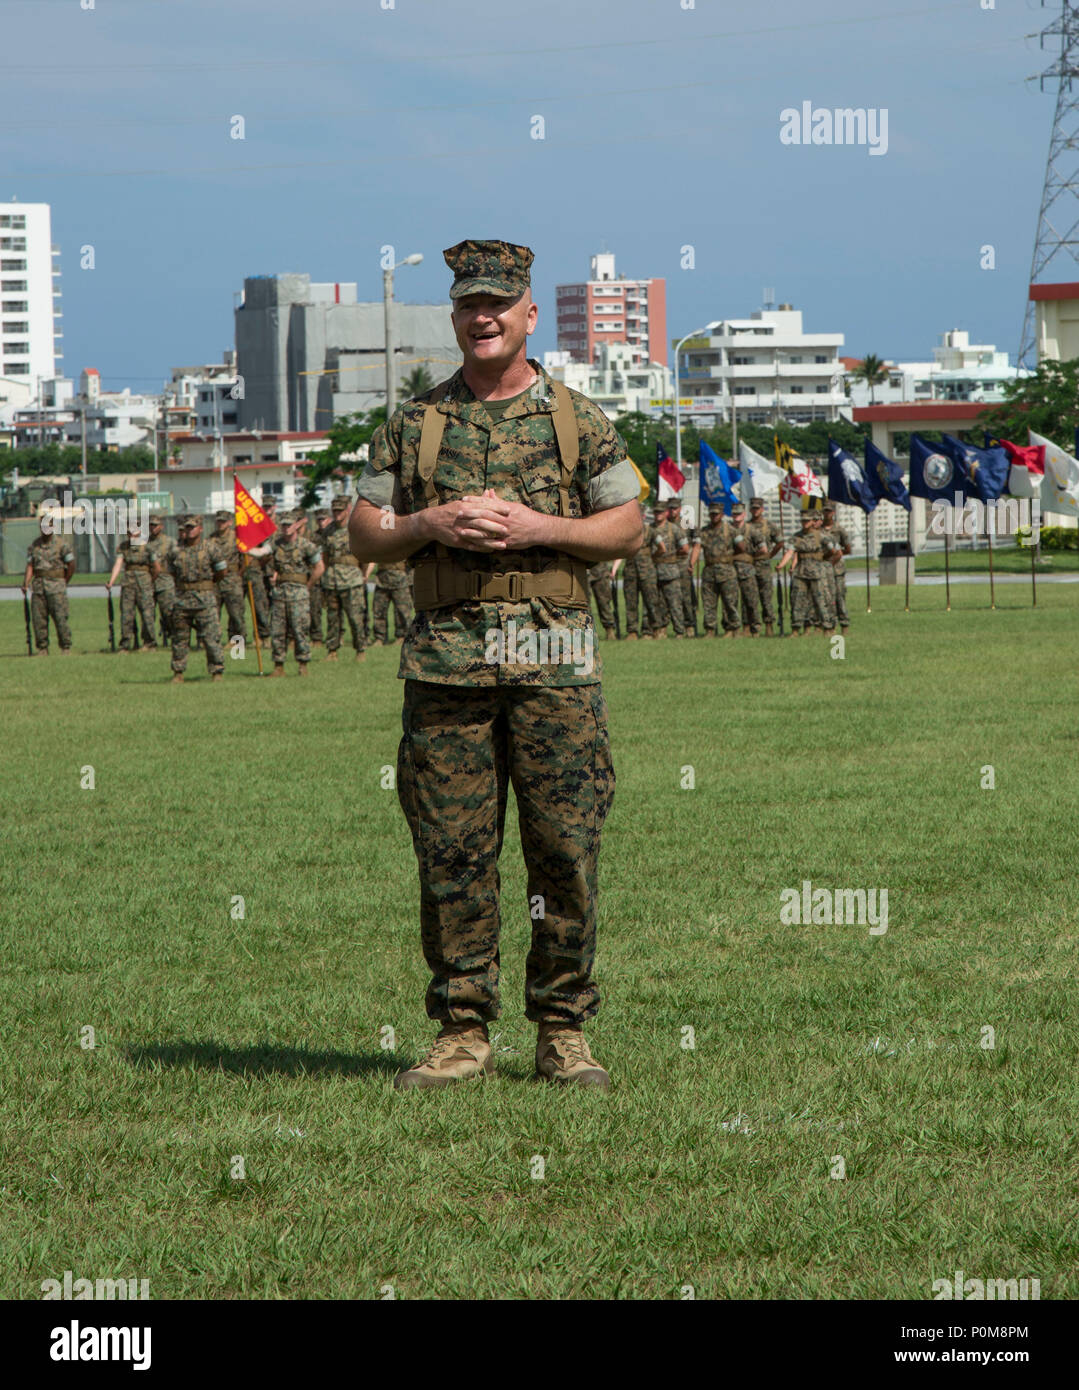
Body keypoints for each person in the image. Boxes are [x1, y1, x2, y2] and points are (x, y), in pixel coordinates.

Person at [348, 238, 642, 1090]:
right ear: (455, 318)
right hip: (447, 666)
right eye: (468, 307)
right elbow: (364, 534)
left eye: (497, 305)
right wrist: (424, 527)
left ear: (526, 315)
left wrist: (536, 529)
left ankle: (561, 1030)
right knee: (451, 851)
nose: (482, 318)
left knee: (564, 847)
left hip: (554, 663)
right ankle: (461, 1033)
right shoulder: (413, 425)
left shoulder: (576, 418)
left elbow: (626, 528)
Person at [155, 514, 227, 682]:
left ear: (200, 529)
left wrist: (207, 584)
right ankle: (178, 672)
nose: (189, 530)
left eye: (192, 527)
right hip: (182, 600)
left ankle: (216, 671)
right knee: (180, 638)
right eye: (186, 527)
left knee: (211, 637)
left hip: (205, 599)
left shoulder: (211, 548)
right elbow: (170, 571)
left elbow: (222, 571)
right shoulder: (176, 550)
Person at [268, 510, 325, 676]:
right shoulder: (276, 544)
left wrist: (308, 585)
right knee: (278, 631)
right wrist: (246, 548)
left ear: (296, 525)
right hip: (280, 594)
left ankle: (303, 664)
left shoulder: (305, 545)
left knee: (299, 629)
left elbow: (319, 567)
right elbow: (263, 553)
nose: (286, 528)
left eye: (289, 524)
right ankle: (278, 666)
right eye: (283, 524)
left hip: (299, 595)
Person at [319, 495, 369, 661]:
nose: (337, 513)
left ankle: (360, 650)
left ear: (348, 509)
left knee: (355, 618)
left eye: (340, 510)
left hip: (352, 581)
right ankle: (332, 651)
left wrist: (362, 575)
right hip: (332, 581)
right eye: (334, 510)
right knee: (333, 619)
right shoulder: (328, 531)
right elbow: (325, 556)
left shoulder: (355, 528)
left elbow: (365, 556)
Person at [776, 510, 836, 636]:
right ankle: (796, 629)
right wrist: (781, 565)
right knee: (798, 600)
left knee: (821, 601)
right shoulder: (796, 537)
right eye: (802, 521)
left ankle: (827, 628)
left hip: (817, 573)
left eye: (807, 521)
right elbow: (790, 552)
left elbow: (832, 550)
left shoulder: (820, 536)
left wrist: (821, 557)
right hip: (801, 572)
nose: (804, 523)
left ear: (812, 522)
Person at [23, 512, 75, 654]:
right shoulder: (34, 545)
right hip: (39, 587)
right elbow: (30, 566)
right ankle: (42, 648)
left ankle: (65, 647)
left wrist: (64, 581)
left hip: (56, 587)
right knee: (39, 620)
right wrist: (26, 583)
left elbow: (71, 564)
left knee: (60, 618)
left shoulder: (62, 544)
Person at [106, 519, 158, 651]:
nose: (131, 535)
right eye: (129, 532)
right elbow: (118, 564)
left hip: (144, 583)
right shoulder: (123, 547)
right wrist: (111, 581)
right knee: (126, 614)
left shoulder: (148, 547)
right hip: (128, 583)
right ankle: (125, 644)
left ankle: (149, 643)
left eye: (134, 532)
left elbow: (156, 568)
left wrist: (150, 581)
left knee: (147, 614)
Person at [622, 499, 665, 640]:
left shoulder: (650, 530)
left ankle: (655, 629)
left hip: (647, 571)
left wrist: (650, 557)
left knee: (651, 602)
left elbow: (662, 548)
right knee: (631, 603)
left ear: (643, 515)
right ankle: (632, 631)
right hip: (630, 571)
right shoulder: (627, 531)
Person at [699, 505, 741, 637]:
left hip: (727, 572)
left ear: (722, 514)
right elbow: (696, 547)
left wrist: (729, 558)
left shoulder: (731, 530)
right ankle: (710, 630)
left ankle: (732, 629)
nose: (714, 516)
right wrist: (691, 563)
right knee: (708, 603)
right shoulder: (703, 531)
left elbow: (742, 547)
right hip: (709, 572)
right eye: (712, 514)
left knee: (729, 603)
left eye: (716, 514)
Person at [651, 499, 690, 637]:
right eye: (656, 512)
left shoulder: (674, 529)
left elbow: (685, 548)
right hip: (654, 571)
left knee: (675, 603)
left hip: (671, 572)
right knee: (658, 603)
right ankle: (661, 630)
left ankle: (679, 631)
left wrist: (672, 555)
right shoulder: (650, 528)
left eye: (661, 512)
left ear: (666, 513)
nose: (658, 515)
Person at [746, 496, 783, 635]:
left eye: (757, 508)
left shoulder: (769, 526)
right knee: (749, 597)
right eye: (753, 508)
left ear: (762, 509)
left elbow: (780, 542)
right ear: (750, 509)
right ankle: (751, 626)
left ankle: (769, 625)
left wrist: (770, 555)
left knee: (766, 596)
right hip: (749, 564)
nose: (755, 511)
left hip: (764, 565)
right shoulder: (746, 526)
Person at [211, 509, 247, 644]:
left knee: (236, 614)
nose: (221, 524)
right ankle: (214, 641)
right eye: (219, 521)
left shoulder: (237, 538)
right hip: (216, 580)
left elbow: (245, 559)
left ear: (230, 522)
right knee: (213, 614)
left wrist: (238, 574)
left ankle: (237, 643)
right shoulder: (211, 539)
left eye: (223, 521)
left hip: (233, 579)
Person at [730, 502, 762, 637]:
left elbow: (763, 548)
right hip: (730, 569)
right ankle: (733, 629)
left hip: (747, 569)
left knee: (751, 600)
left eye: (739, 513)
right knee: (731, 601)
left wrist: (751, 557)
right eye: (734, 513)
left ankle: (755, 629)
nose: (737, 516)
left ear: (744, 514)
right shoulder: (728, 529)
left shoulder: (752, 530)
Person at [820, 503, 852, 632]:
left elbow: (848, 549)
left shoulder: (839, 529)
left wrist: (836, 556)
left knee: (839, 596)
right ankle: (830, 625)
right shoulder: (819, 530)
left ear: (833, 512)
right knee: (827, 598)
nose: (827, 514)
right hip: (823, 568)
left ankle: (844, 624)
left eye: (829, 511)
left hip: (837, 568)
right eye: (825, 511)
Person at [146, 515, 177, 644]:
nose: (153, 528)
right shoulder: (144, 542)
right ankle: (149, 641)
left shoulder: (170, 542)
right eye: (151, 525)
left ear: (161, 526)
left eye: (155, 525)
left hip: (165, 581)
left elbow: (176, 560)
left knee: (169, 613)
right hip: (148, 581)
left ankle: (174, 638)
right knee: (148, 614)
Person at [371, 560, 414, 644]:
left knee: (401, 611)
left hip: (400, 579)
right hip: (382, 579)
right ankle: (380, 638)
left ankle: (402, 636)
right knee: (379, 610)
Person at [587, 559, 620, 639]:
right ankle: (587, 631)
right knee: (584, 602)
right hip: (583, 568)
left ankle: (610, 631)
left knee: (604, 602)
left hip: (600, 570)